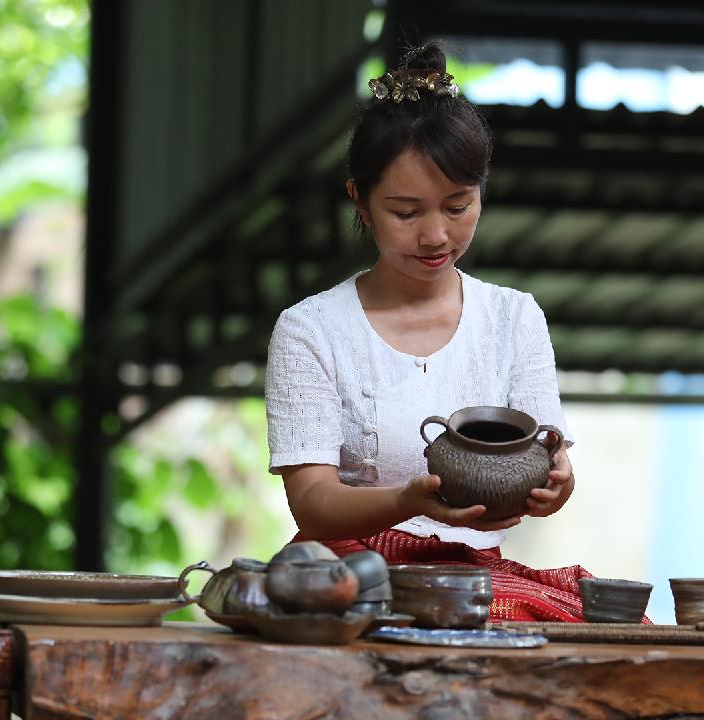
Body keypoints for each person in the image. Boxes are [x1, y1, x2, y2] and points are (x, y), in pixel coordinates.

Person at [265, 43, 632, 623]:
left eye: (458, 206)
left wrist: (555, 487)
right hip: (348, 577)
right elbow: (312, 506)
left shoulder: (513, 318)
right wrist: (403, 502)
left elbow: (550, 459)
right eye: (406, 213)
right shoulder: (311, 329)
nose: (436, 235)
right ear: (359, 199)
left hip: (477, 580)